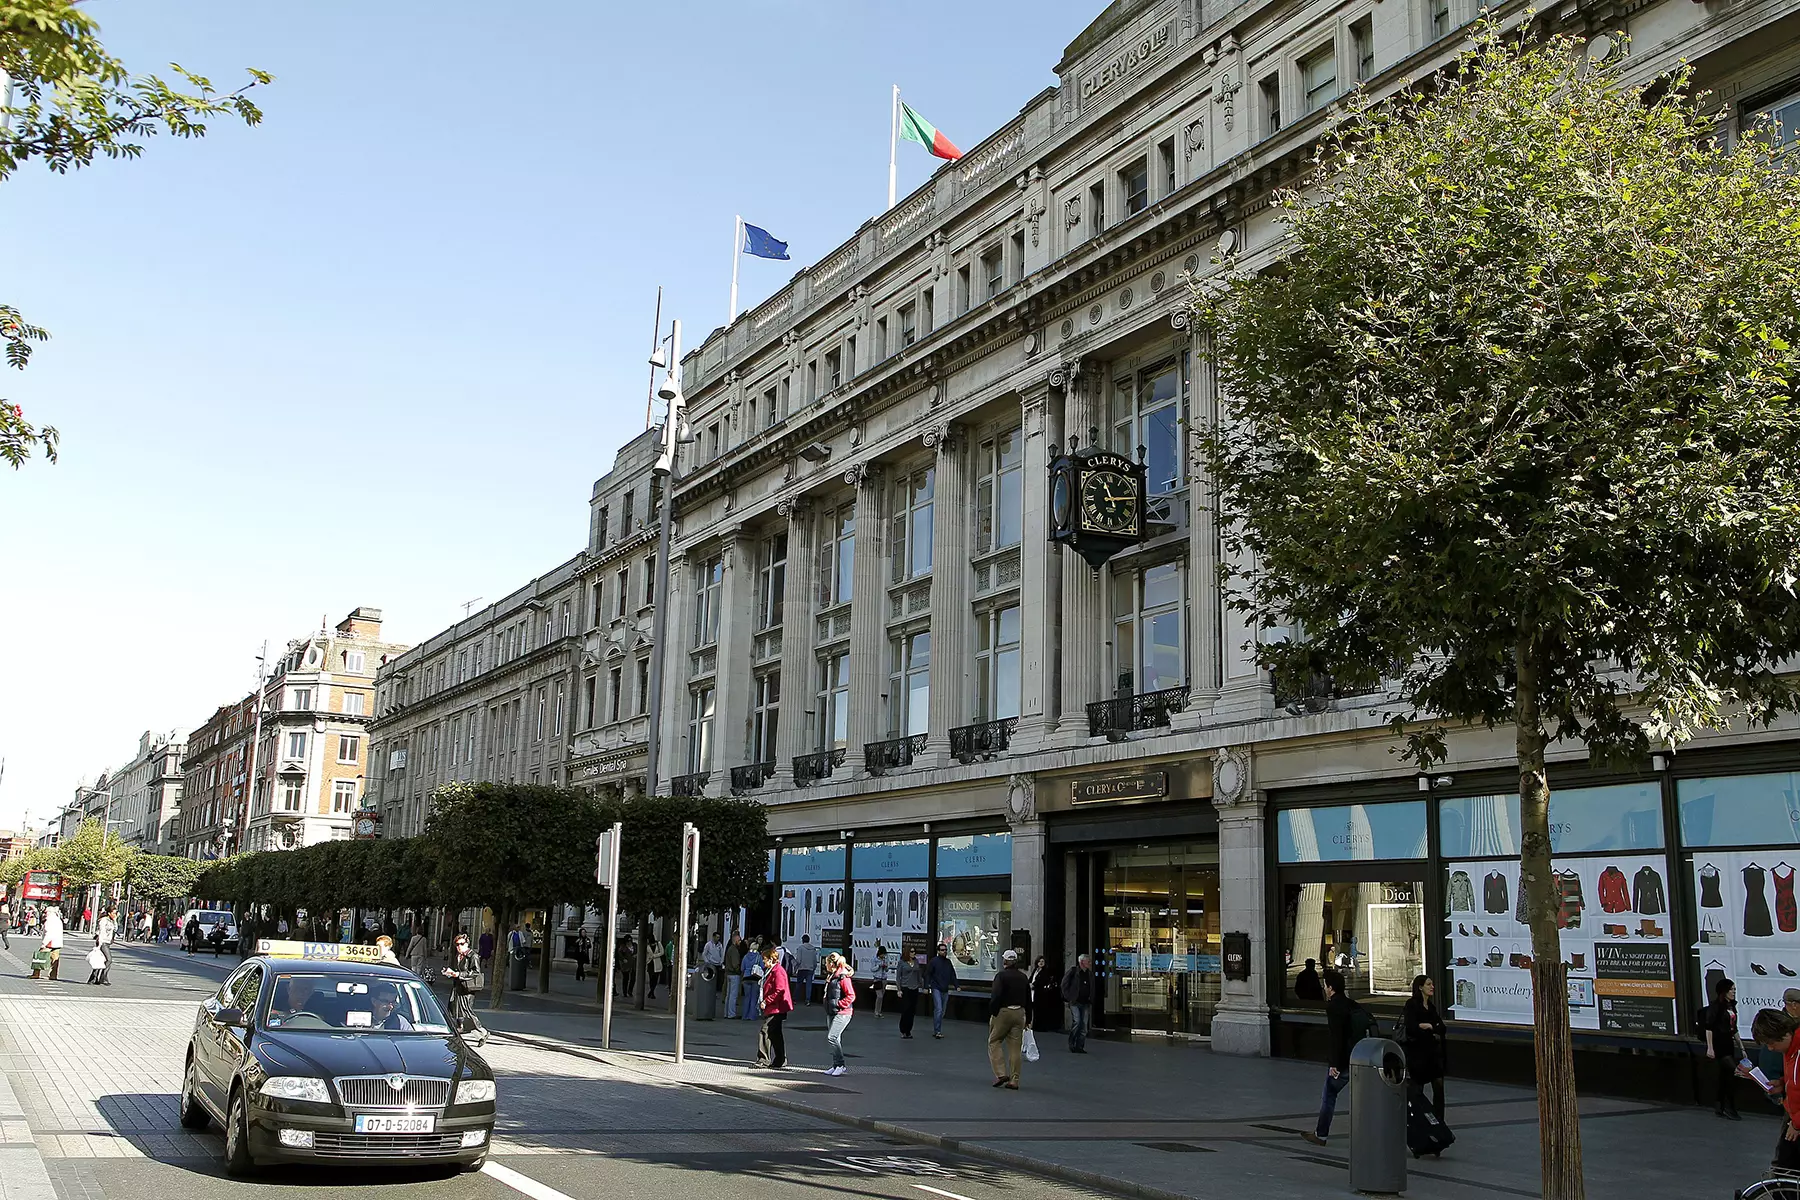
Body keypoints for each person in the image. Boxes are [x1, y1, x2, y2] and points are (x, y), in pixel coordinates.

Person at [1302, 968, 1365, 1147]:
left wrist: (1335, 1064)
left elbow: (1337, 1037)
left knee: (1329, 1094)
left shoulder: (1334, 1007)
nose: (1324, 989)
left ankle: (1321, 1135)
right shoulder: (1352, 1004)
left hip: (1344, 1060)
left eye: (1325, 986)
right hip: (1361, 1056)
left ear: (1330, 988)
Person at [1753, 1008, 1800, 1170]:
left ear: (1784, 1033)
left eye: (1771, 1043)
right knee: (1784, 1167)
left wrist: (1797, 1124)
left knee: (1787, 1168)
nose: (1771, 1048)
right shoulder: (1790, 1049)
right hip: (1793, 1118)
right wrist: (1782, 1083)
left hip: (1797, 1121)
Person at [1403, 974, 1448, 1119]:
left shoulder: (1431, 1007)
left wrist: (1428, 1026)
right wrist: (1427, 1028)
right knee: (1417, 1090)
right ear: (1420, 987)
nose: (1432, 987)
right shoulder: (1412, 1004)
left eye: (1432, 984)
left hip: (1433, 1055)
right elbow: (1411, 1027)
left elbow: (1441, 1028)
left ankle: (1439, 1120)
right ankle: (1418, 1119)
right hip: (1418, 1055)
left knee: (1439, 1088)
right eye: (1429, 984)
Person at [1704, 977, 1748, 1120]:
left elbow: (1734, 1029)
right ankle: (1730, 1107)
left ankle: (1720, 1106)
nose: (1734, 992)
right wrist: (1710, 1048)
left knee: (1724, 1076)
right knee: (1732, 1073)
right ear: (1724, 991)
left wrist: (1741, 1047)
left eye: (1734, 989)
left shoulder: (1731, 1006)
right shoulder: (1716, 1007)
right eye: (1731, 989)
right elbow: (1709, 1027)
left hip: (1728, 1043)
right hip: (1719, 1044)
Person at [988, 949, 1032, 1089]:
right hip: (1020, 1012)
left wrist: (993, 1012)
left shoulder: (1001, 976)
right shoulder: (1023, 977)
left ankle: (1001, 1074)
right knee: (1015, 1048)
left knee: (994, 1041)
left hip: (1004, 1012)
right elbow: (1028, 999)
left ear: (1005, 961)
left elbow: (996, 996)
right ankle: (1015, 1080)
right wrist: (1028, 1018)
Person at [757, 943, 793, 1069]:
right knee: (775, 1033)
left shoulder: (778, 971)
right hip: (775, 1007)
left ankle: (763, 1059)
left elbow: (779, 990)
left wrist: (767, 1001)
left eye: (764, 959)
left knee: (765, 1031)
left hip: (777, 1007)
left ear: (771, 959)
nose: (763, 962)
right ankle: (780, 1059)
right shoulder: (771, 971)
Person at [441, 933, 485, 1032]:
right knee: (453, 1009)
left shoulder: (473, 956)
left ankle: (481, 1032)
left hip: (467, 988)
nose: (459, 947)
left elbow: (475, 972)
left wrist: (459, 974)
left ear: (467, 944)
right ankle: (459, 1028)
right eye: (457, 944)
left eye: (461, 944)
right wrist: (449, 973)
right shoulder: (459, 956)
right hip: (458, 987)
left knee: (466, 1012)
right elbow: (457, 970)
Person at [822, 952, 856, 1076]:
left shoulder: (842, 977)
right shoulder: (832, 976)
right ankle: (836, 1065)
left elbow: (851, 995)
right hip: (832, 1011)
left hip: (842, 1012)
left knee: (832, 1037)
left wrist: (839, 1004)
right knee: (836, 1038)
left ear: (831, 963)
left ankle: (841, 1065)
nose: (825, 965)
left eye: (826, 963)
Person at [1062, 953, 1095, 1053]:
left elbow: (1092, 987)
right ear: (1082, 962)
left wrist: (1091, 998)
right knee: (1077, 1021)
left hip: (1085, 1002)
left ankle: (1080, 1046)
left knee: (1084, 1025)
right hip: (1075, 1001)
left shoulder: (1090, 974)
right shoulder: (1074, 972)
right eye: (1088, 961)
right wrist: (1069, 997)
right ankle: (1072, 1043)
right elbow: (1064, 984)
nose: (1090, 963)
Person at [929, 944, 959, 1038]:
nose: (944, 951)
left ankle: (936, 1028)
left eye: (945, 950)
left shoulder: (948, 962)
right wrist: (927, 986)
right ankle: (937, 1031)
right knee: (939, 1009)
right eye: (942, 950)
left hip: (945, 988)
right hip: (936, 987)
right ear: (938, 951)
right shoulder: (934, 961)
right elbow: (928, 973)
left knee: (942, 1011)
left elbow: (952, 975)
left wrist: (956, 985)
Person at [1029, 955, 1061, 1033]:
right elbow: (1031, 978)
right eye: (1040, 961)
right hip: (1033, 992)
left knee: (1041, 1009)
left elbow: (1042, 980)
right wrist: (1029, 983)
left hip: (1041, 993)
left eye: (1043, 961)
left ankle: (1041, 1027)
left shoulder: (1045, 971)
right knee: (1035, 1009)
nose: (1041, 963)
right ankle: (1035, 1025)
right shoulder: (1035, 970)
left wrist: (1034, 985)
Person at [724, 932, 746, 1019]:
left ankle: (727, 1013)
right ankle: (731, 1013)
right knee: (733, 995)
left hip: (729, 973)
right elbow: (735, 964)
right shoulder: (734, 950)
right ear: (736, 940)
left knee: (728, 995)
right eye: (739, 940)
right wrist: (739, 970)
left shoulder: (730, 949)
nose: (740, 942)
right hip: (734, 974)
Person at [741, 939, 765, 1019]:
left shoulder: (745, 956)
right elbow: (762, 967)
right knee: (754, 998)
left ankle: (744, 1015)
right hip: (755, 979)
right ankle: (752, 1016)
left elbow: (742, 968)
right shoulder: (759, 957)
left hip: (746, 978)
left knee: (746, 997)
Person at [94, 908, 117, 986]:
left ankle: (94, 978)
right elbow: (101, 931)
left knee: (100, 961)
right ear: (109, 913)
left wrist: (115, 920)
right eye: (113, 913)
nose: (115, 915)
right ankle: (103, 978)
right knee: (109, 960)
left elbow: (115, 929)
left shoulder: (112, 921)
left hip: (107, 942)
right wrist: (99, 944)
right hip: (102, 942)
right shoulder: (104, 920)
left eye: (115, 913)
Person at [40, 905, 63, 980]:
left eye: (46, 912)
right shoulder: (58, 919)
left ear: (49, 912)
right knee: (55, 960)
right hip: (58, 942)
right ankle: (53, 975)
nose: (45, 914)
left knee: (40, 957)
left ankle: (36, 973)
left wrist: (44, 944)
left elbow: (48, 933)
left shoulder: (49, 920)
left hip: (50, 942)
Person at [794, 935, 819, 1005]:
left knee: (799, 984)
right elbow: (815, 961)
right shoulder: (813, 949)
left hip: (802, 968)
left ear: (802, 940)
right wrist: (814, 968)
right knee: (809, 985)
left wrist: (796, 968)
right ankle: (808, 1000)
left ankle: (795, 999)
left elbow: (798, 960)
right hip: (810, 969)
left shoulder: (800, 948)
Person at [871, 947, 891, 1018]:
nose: (883, 956)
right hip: (877, 979)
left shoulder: (885, 959)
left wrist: (886, 967)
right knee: (879, 996)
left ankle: (879, 1011)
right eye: (882, 954)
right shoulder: (874, 959)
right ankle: (876, 1011)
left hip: (884, 979)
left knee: (881, 997)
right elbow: (872, 969)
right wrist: (879, 966)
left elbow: (887, 970)